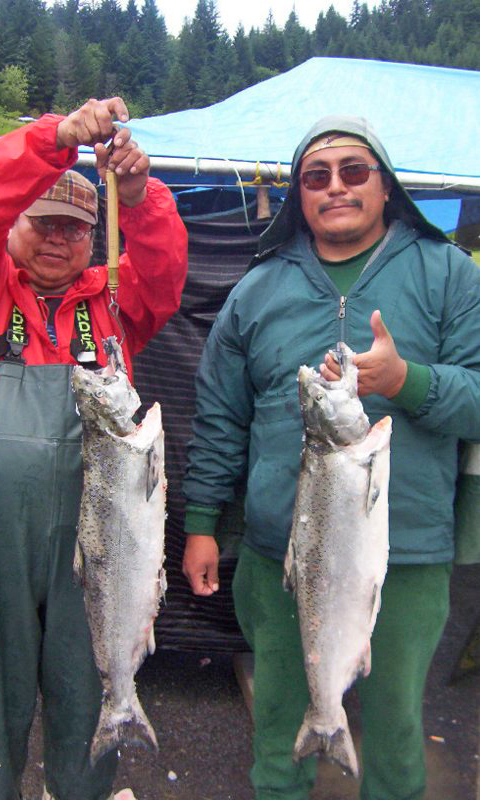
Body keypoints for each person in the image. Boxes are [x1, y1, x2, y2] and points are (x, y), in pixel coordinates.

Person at [181, 115, 480, 800]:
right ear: (298, 195)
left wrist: (408, 381)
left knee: (396, 732)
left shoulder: (449, 275)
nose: (335, 187)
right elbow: (222, 413)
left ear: (385, 186)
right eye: (316, 177)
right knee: (281, 730)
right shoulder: (257, 290)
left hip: (403, 555)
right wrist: (202, 520)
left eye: (354, 171)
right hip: (275, 555)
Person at [0, 97, 187, 800]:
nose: (57, 238)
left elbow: (164, 273)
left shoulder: (113, 303)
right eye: (40, 220)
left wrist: (136, 197)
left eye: (74, 227)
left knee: (90, 690)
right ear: (11, 224)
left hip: (98, 544)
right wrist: (54, 139)